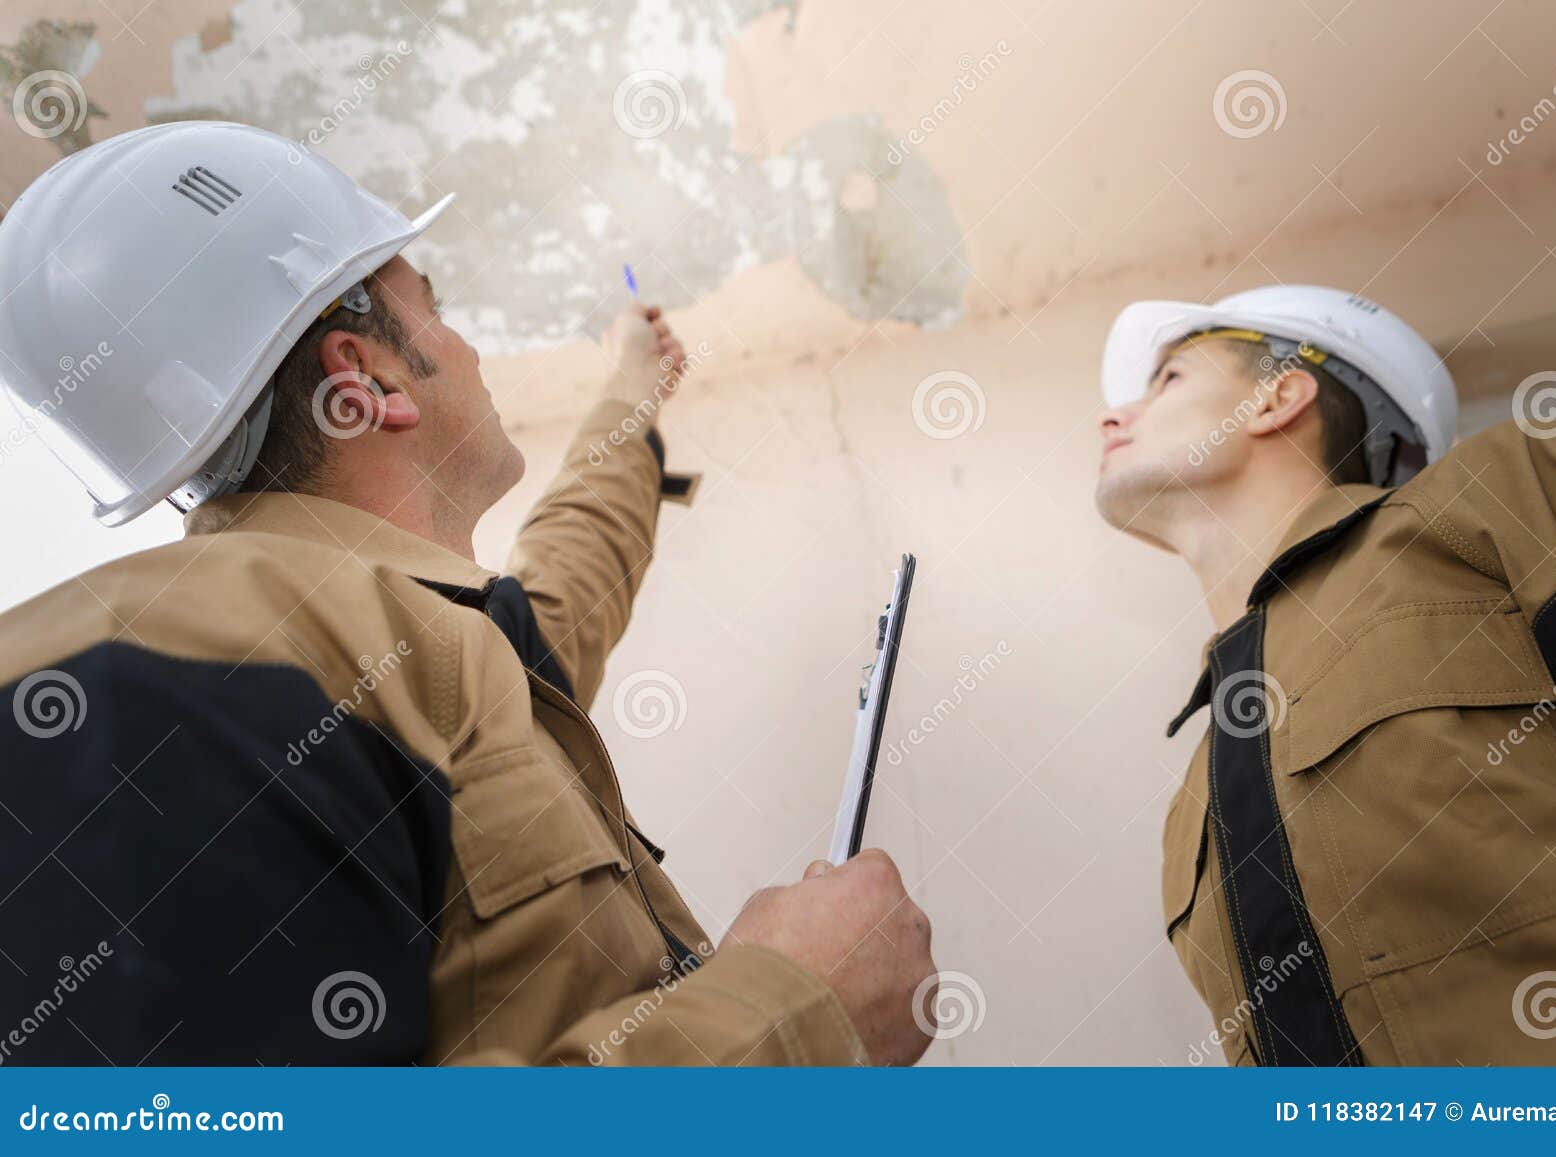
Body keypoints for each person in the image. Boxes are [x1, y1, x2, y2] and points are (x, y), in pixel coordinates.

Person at [0, 121, 935, 1066]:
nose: (470, 350)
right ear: (368, 379)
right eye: (437, 308)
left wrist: (634, 392)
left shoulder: (432, 657)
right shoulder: (154, 668)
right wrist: (796, 1013)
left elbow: (573, 569)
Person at [1094, 284, 1556, 1065]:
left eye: (1169, 380)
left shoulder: (1494, 497)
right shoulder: (1194, 798)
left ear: (1277, 397)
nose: (1112, 416)